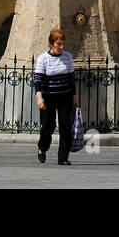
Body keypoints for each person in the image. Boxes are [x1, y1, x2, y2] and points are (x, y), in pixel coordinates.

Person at [34, 28, 79, 166]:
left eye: (62, 44)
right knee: (49, 125)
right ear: (51, 43)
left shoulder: (67, 56)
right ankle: (42, 147)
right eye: (58, 44)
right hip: (49, 97)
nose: (61, 47)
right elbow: (38, 80)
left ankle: (63, 157)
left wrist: (74, 96)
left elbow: (71, 78)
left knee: (65, 126)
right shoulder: (43, 58)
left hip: (65, 95)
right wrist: (39, 97)